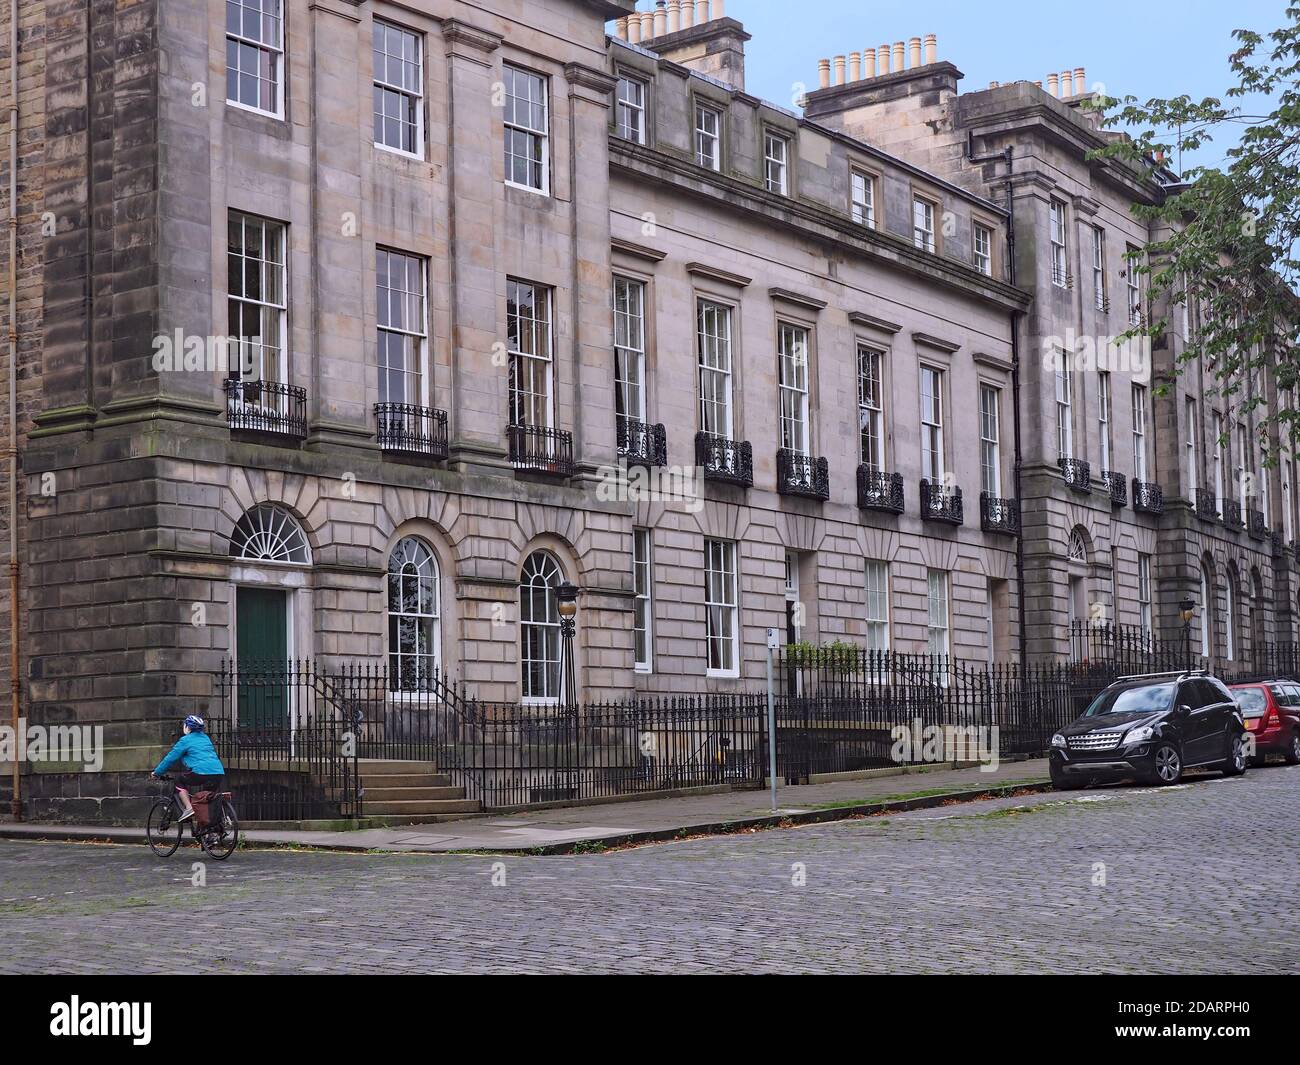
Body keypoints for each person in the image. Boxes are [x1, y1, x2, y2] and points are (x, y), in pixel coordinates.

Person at [151, 715, 225, 823]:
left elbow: (170, 759)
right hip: (218, 773)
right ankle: (211, 833)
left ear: (187, 727)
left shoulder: (185, 740)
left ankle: (189, 808)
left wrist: (157, 772)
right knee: (207, 800)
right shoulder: (206, 738)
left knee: (179, 780)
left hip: (200, 772)